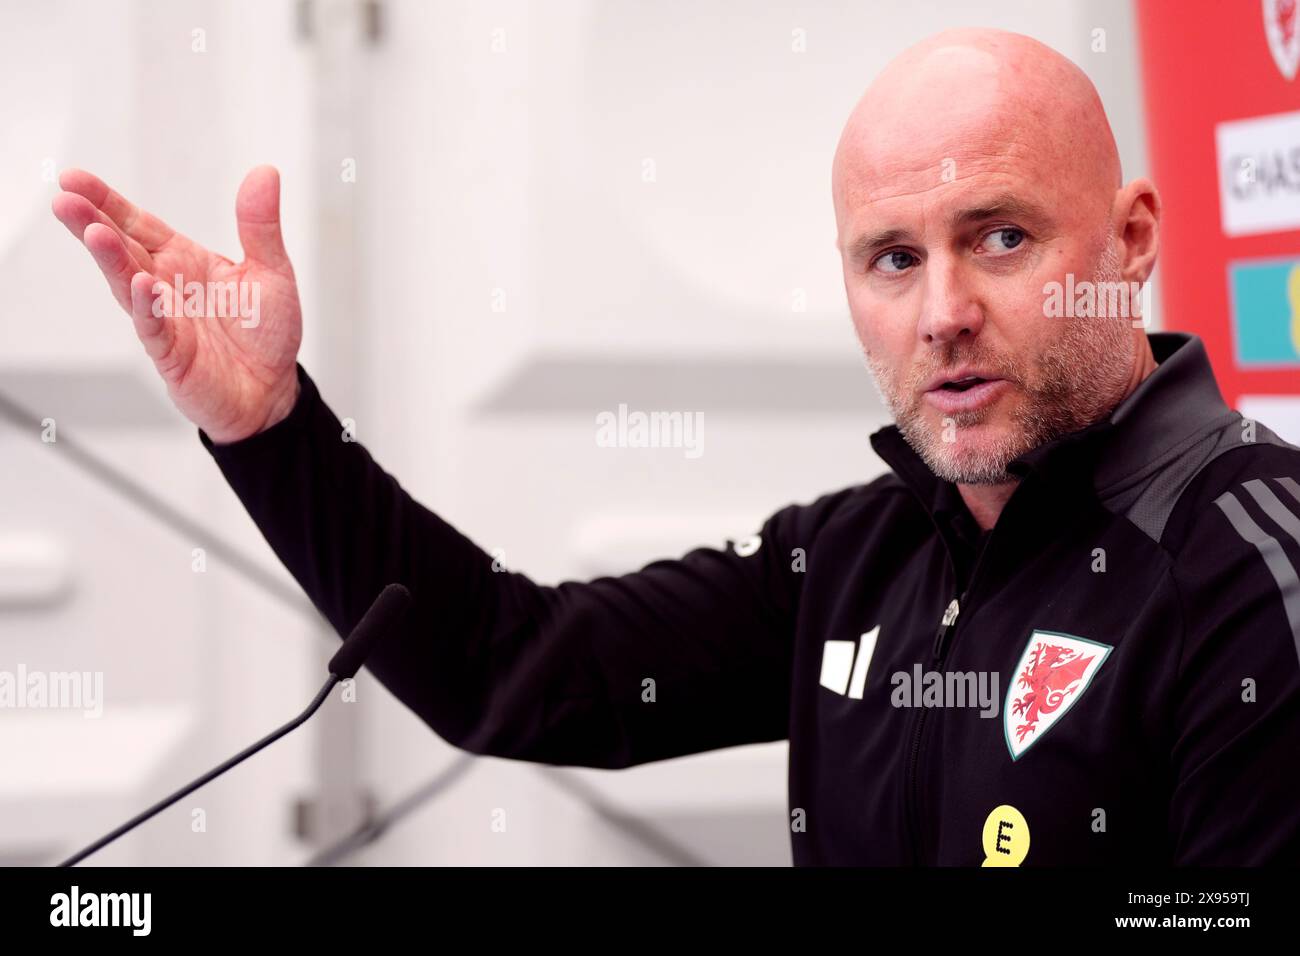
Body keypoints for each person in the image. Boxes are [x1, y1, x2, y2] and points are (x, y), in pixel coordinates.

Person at [51, 28, 1300, 865]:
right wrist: (269, 430)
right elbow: (511, 664)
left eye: (1003, 238)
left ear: (1131, 238)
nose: (942, 311)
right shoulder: (853, 557)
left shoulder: (1252, 577)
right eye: (894, 258)